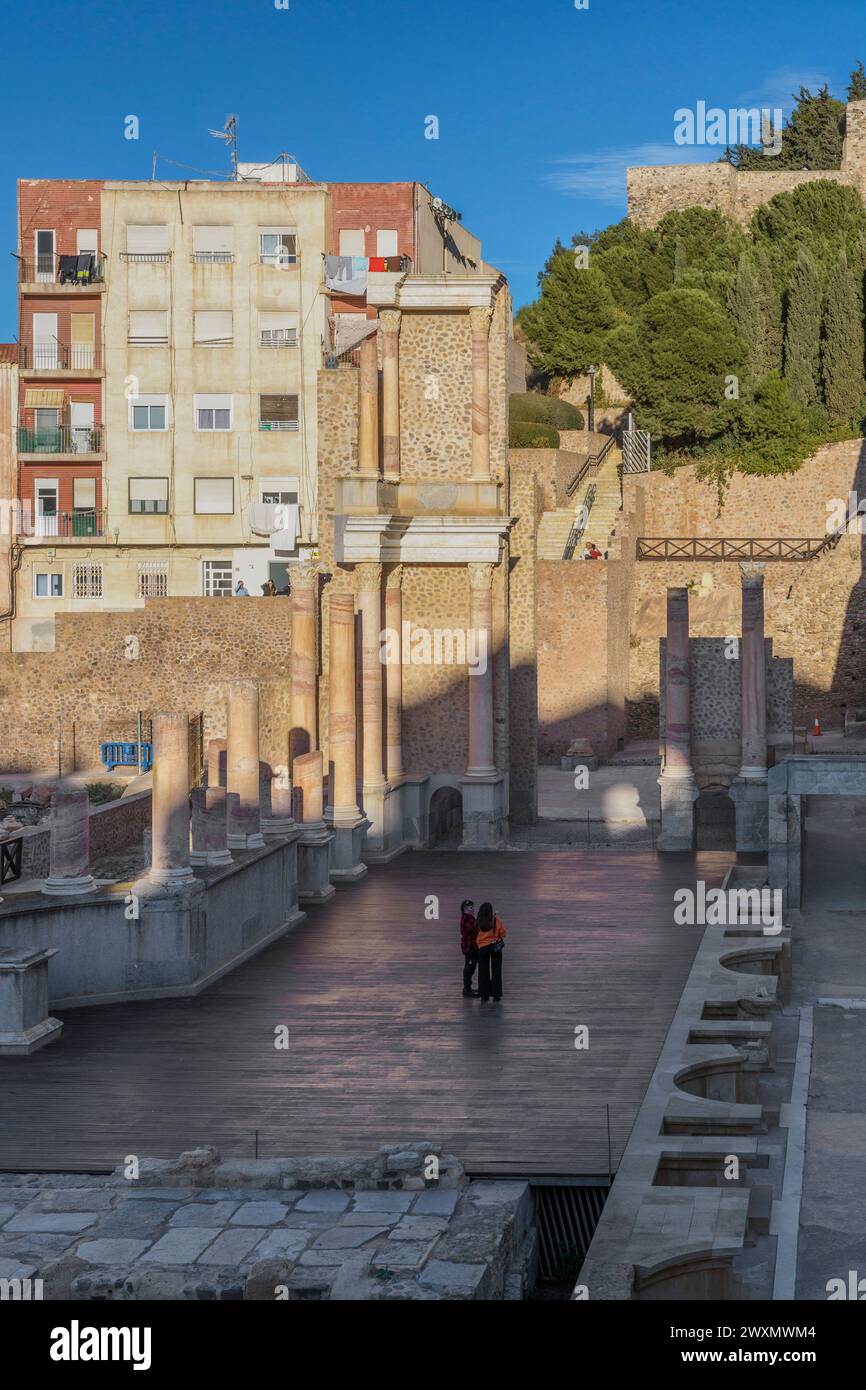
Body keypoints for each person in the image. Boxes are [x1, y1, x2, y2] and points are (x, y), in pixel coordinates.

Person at [475, 901, 507, 1002]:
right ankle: (496, 994)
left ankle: (484, 994)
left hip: (482, 947)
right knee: (496, 970)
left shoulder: (478, 921)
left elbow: (475, 933)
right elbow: (503, 933)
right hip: (495, 947)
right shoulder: (496, 920)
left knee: (483, 970)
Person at [460, 899, 478, 997]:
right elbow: (474, 929)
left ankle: (468, 988)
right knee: (469, 968)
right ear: (464, 909)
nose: (472, 909)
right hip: (469, 947)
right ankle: (467, 989)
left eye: (472, 907)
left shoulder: (469, 917)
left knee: (470, 967)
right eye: (470, 908)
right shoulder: (467, 919)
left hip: (470, 946)